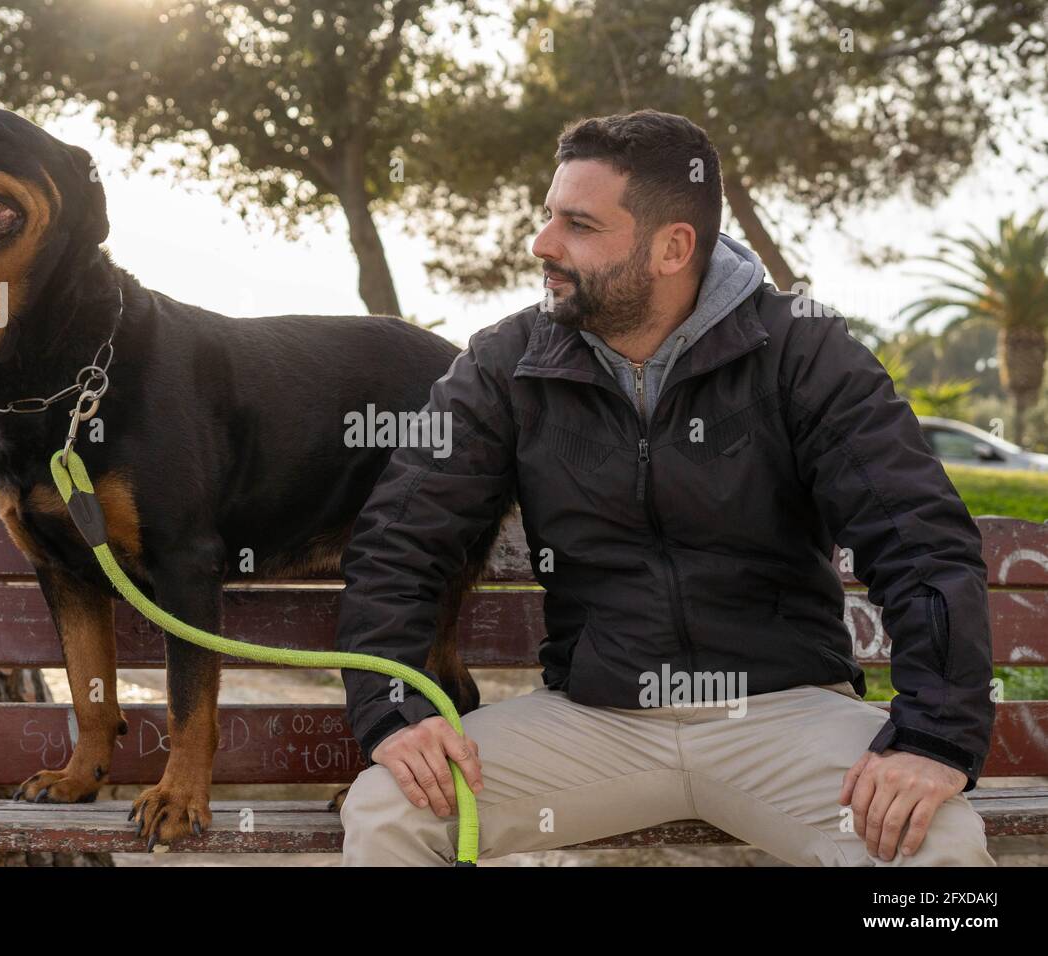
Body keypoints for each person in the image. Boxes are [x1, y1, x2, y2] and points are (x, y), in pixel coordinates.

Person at [335, 110, 996, 866]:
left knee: (936, 846)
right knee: (390, 810)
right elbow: (399, 542)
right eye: (548, 215)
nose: (543, 243)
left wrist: (933, 738)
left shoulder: (801, 351)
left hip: (782, 715)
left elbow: (921, 541)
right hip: (594, 722)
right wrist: (397, 713)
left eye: (579, 224)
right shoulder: (506, 362)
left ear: (672, 247)